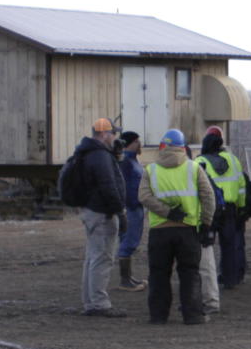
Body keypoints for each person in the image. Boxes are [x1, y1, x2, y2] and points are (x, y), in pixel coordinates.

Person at [139, 128, 218, 325]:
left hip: (159, 231)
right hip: (188, 230)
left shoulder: (151, 170)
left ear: (162, 147)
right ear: (183, 148)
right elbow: (208, 197)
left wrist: (167, 212)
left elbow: (144, 197)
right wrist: (206, 223)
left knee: (158, 274)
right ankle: (193, 316)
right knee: (190, 273)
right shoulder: (194, 168)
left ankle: (158, 316)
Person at [76, 118, 127, 317]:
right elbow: (108, 186)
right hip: (102, 213)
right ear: (104, 134)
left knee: (92, 258)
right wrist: (120, 211)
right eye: (113, 133)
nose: (114, 137)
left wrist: (115, 157)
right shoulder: (100, 156)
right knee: (102, 258)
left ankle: (90, 301)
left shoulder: (88, 153)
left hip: (91, 211)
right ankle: (99, 303)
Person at [196, 125, 248, 291]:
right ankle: (230, 279)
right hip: (230, 209)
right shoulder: (233, 160)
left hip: (209, 210)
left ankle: (206, 280)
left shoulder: (199, 162)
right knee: (229, 245)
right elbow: (241, 186)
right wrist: (241, 206)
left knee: (205, 246)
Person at [114, 131, 146, 291]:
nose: (140, 144)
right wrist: (130, 205)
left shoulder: (132, 160)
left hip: (136, 207)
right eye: (137, 141)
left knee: (130, 241)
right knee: (128, 242)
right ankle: (125, 281)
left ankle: (128, 277)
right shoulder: (126, 162)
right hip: (131, 208)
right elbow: (124, 187)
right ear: (130, 144)